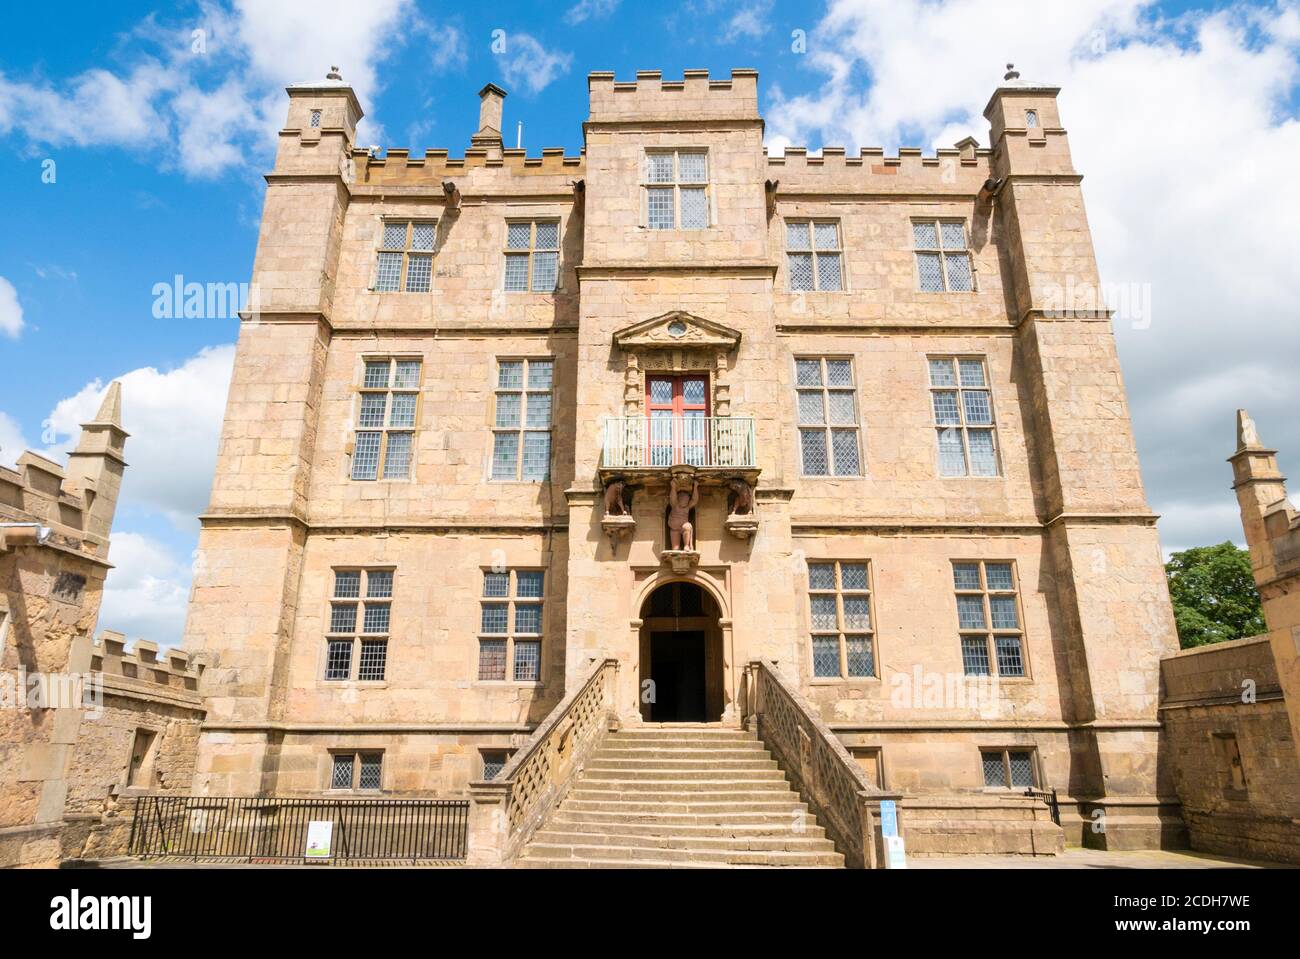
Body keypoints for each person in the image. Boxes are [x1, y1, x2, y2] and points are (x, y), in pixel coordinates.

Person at [667, 476, 699, 551]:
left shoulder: (687, 507)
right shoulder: (675, 505)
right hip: (674, 528)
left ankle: (686, 545)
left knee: (687, 526)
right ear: (679, 499)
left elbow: (694, 500)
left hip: (683, 527)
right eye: (683, 499)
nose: (685, 501)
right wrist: (673, 487)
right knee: (675, 549)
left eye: (686, 499)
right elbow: (673, 497)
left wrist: (695, 487)